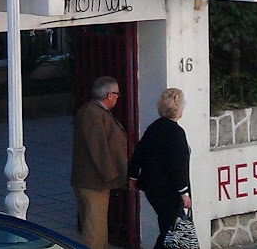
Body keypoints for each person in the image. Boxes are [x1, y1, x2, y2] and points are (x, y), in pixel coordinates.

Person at [128, 88, 192, 249]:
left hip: (152, 188)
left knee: (167, 226)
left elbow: (139, 153)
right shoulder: (176, 133)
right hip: (169, 190)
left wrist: (133, 176)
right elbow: (177, 166)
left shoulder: (154, 128)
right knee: (171, 230)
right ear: (179, 109)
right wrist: (184, 193)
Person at [72, 75, 129, 249]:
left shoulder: (95, 112)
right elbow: (98, 149)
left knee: (98, 227)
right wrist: (112, 176)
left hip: (94, 180)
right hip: (94, 182)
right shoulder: (92, 114)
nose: (118, 98)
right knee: (94, 231)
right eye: (117, 94)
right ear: (110, 95)